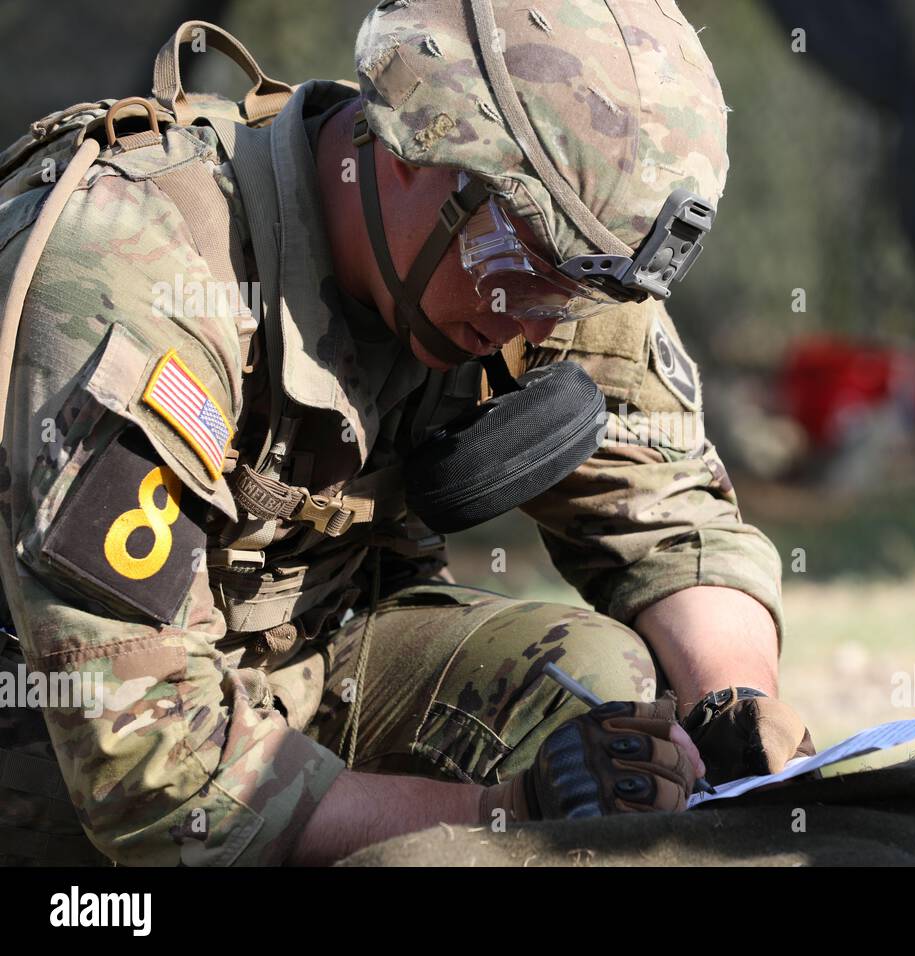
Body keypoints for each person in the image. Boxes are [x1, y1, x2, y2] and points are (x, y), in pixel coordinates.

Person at [0, 0, 811, 866]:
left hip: (310, 668)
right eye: (527, 272)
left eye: (575, 293)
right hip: (66, 733)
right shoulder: (137, 266)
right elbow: (152, 772)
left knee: (607, 700)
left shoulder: (538, 253)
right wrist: (503, 814)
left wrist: (733, 707)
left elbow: (669, 509)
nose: (536, 327)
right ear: (405, 148)